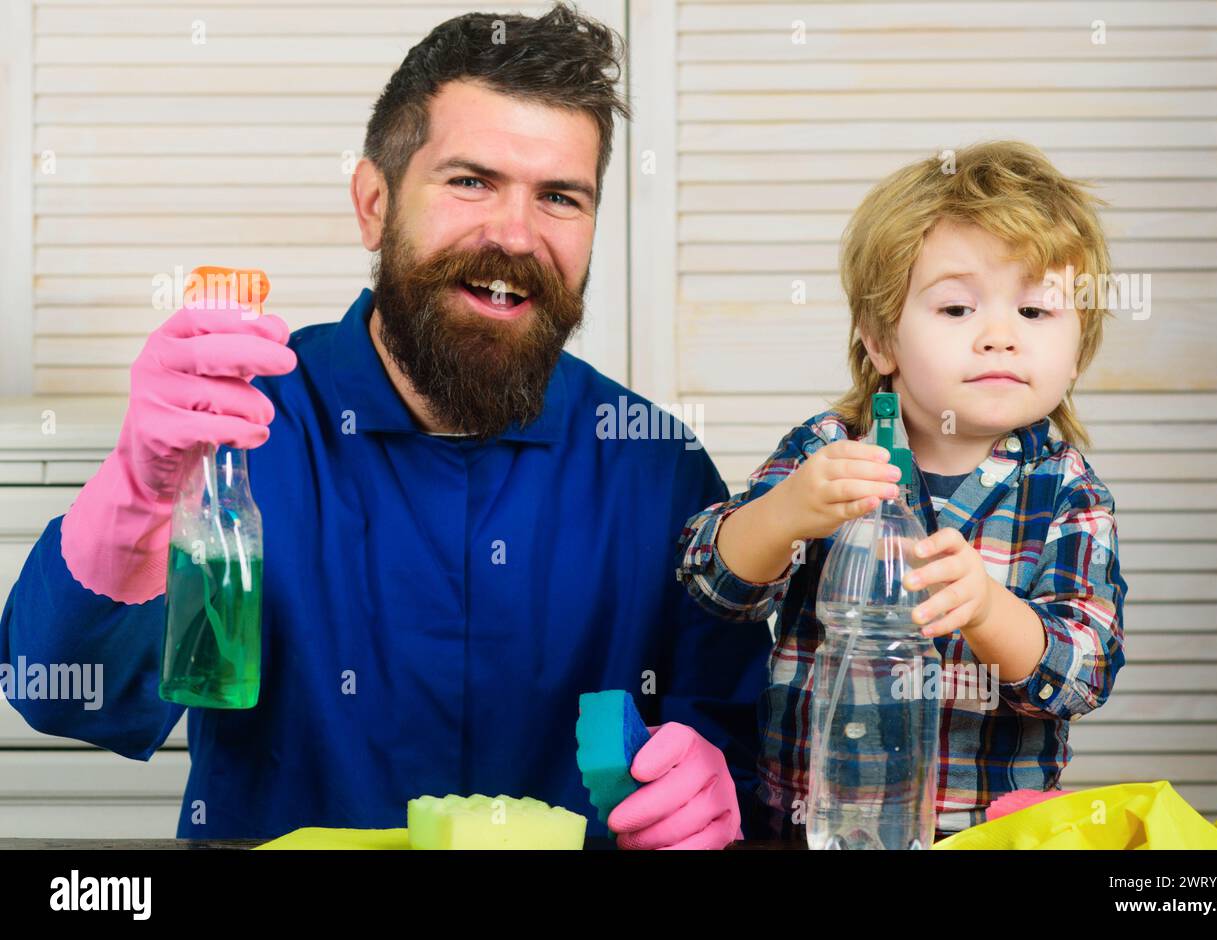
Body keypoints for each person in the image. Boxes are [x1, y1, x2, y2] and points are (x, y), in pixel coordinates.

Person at [0, 3, 770, 849]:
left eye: (559, 197)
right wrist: (139, 488)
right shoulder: (242, 430)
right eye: (470, 181)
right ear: (374, 203)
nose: (515, 234)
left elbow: (736, 737)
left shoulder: (655, 465)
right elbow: (62, 694)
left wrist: (718, 787)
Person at [676, 141, 1129, 841]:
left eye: (1036, 313)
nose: (1000, 338)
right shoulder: (827, 450)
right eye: (956, 309)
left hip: (985, 834)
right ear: (881, 340)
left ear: (1076, 352)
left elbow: (1081, 674)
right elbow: (712, 587)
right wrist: (786, 513)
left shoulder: (1068, 492)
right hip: (813, 825)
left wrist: (987, 609)